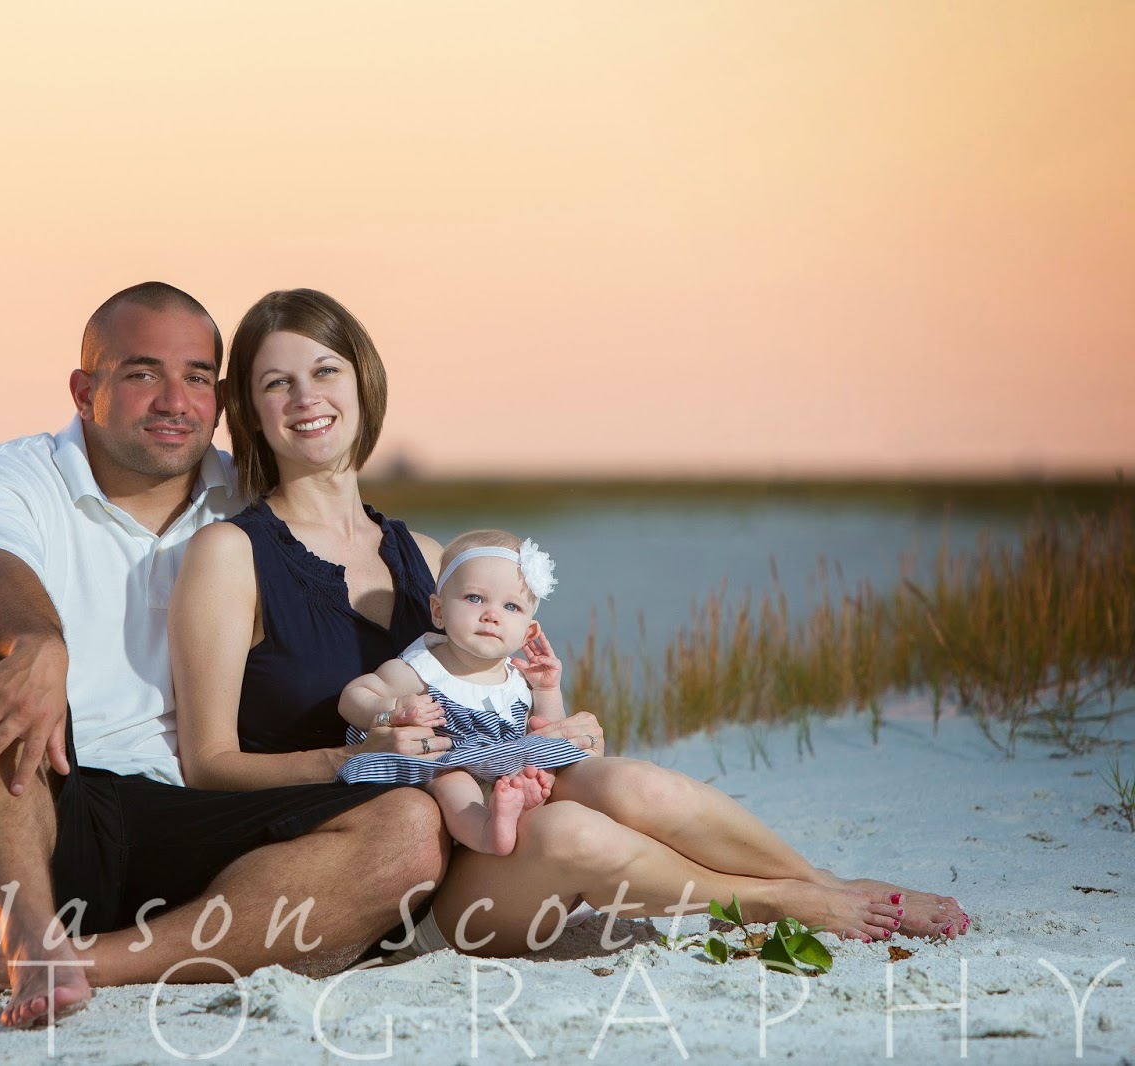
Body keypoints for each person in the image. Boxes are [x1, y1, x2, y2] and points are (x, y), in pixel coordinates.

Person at [170, 287, 972, 960]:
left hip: (486, 830)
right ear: (249, 409)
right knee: (577, 840)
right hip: (377, 865)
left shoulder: (429, 555)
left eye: (324, 370)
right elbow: (208, 766)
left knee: (625, 780)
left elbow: (492, 699)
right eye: (276, 383)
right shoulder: (229, 553)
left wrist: (555, 723)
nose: (305, 398)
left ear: (363, 383)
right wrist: (356, 757)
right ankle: (781, 903)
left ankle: (830, 886)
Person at [0, 281, 446, 1029]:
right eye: (142, 373)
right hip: (22, 816)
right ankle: (27, 935)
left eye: (196, 378)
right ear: (86, 390)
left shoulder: (248, 501)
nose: (174, 400)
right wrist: (37, 640)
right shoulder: (4, 478)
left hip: (186, 817)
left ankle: (88, 960)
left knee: (409, 828)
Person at [338, 529, 589, 856]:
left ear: (528, 632)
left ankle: (515, 804)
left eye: (511, 606)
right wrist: (393, 708)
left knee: (543, 766)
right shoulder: (423, 668)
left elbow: (549, 733)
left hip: (497, 773)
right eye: (474, 598)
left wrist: (547, 690)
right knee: (452, 780)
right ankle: (489, 831)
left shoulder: (518, 679)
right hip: (438, 775)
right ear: (439, 611)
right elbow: (353, 696)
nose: (491, 614)